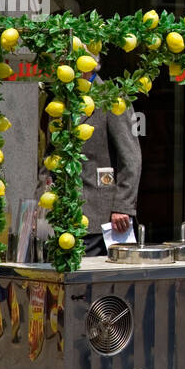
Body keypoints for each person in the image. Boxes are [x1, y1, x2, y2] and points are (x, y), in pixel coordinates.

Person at [73, 68, 142, 256]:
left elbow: (131, 157)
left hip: (100, 218)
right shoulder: (65, 98)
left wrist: (122, 206)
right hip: (67, 216)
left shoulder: (113, 98)